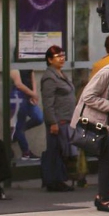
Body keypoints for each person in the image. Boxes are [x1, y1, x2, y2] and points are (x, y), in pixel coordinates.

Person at [75, 42, 109, 213]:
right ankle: (103, 199)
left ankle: (104, 196)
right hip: (98, 123)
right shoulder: (107, 73)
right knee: (107, 159)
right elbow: (88, 96)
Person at [39, 45, 76, 192]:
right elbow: (48, 103)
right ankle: (54, 181)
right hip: (58, 120)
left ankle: (58, 179)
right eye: (58, 56)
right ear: (49, 60)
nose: (62, 59)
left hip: (66, 118)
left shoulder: (60, 74)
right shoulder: (49, 77)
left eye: (63, 55)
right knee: (55, 150)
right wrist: (52, 122)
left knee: (61, 150)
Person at [8, 67, 41, 161]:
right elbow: (18, 84)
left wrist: (34, 94)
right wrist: (33, 94)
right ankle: (26, 152)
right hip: (18, 96)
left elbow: (32, 77)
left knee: (38, 118)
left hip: (28, 95)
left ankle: (16, 134)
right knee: (19, 123)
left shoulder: (27, 64)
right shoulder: (14, 66)